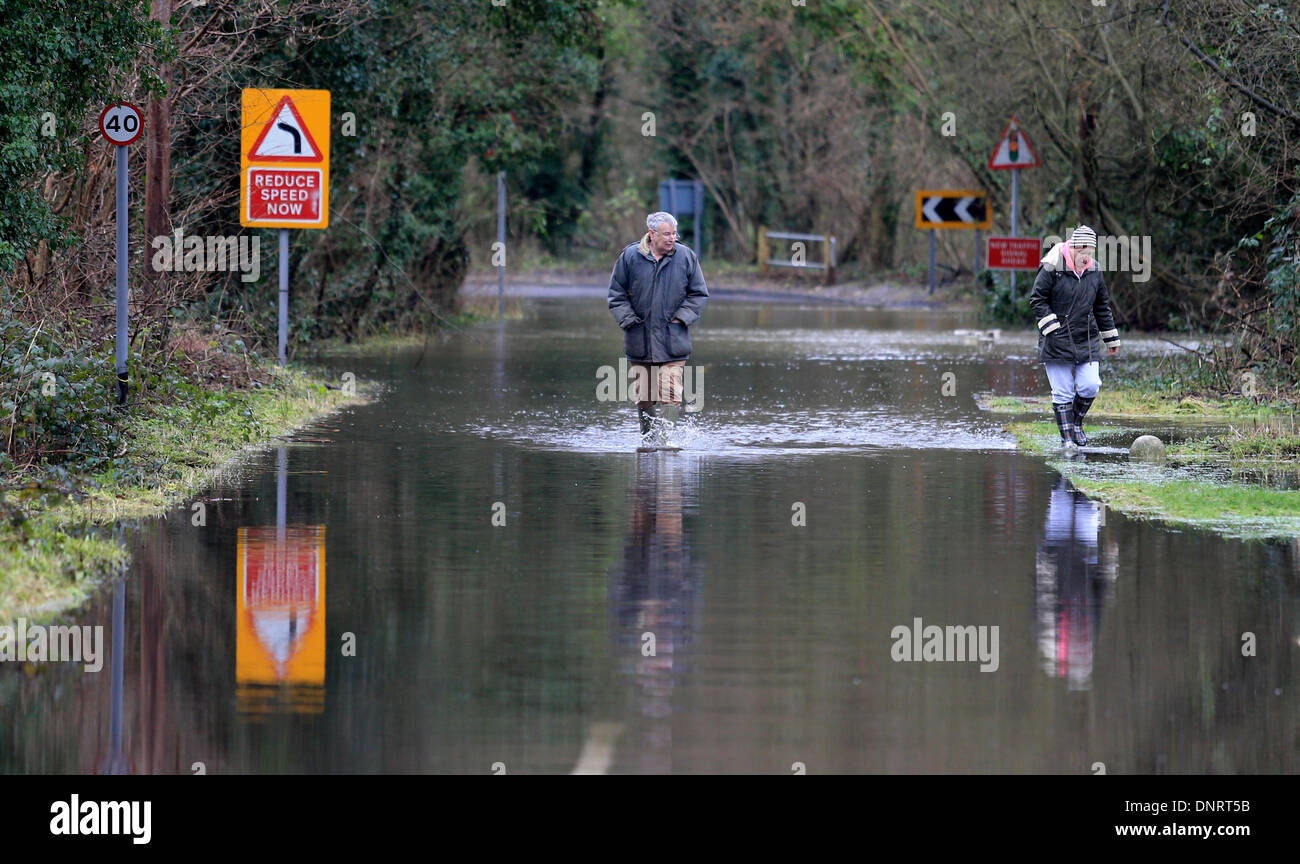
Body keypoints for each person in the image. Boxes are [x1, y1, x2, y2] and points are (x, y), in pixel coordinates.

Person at [607, 211, 709, 438]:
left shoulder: (686, 256)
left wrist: (680, 319)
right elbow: (616, 295)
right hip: (639, 339)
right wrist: (630, 321)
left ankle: (667, 443)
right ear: (652, 234)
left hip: (674, 339)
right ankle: (648, 440)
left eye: (674, 233)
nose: (672, 238)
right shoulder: (630, 257)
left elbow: (699, 294)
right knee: (644, 395)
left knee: (671, 392)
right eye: (667, 234)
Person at [1029, 225, 1120, 449]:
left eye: (1091, 254)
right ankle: (1067, 440)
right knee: (1063, 391)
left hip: (1085, 338)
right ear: (1073, 248)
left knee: (1090, 385)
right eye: (1084, 253)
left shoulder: (1095, 271)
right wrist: (1051, 326)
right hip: (1057, 337)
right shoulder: (1052, 267)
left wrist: (1111, 339)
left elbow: (1102, 307)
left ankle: (1076, 424)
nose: (1087, 259)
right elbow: (1037, 299)